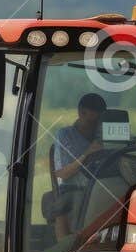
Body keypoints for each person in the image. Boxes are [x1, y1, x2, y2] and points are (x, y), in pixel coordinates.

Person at [42, 92, 108, 239]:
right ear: (81, 113)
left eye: (99, 122)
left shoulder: (104, 135)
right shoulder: (65, 135)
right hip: (75, 191)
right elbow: (62, 174)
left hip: (103, 189)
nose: (95, 127)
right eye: (93, 121)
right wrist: (87, 154)